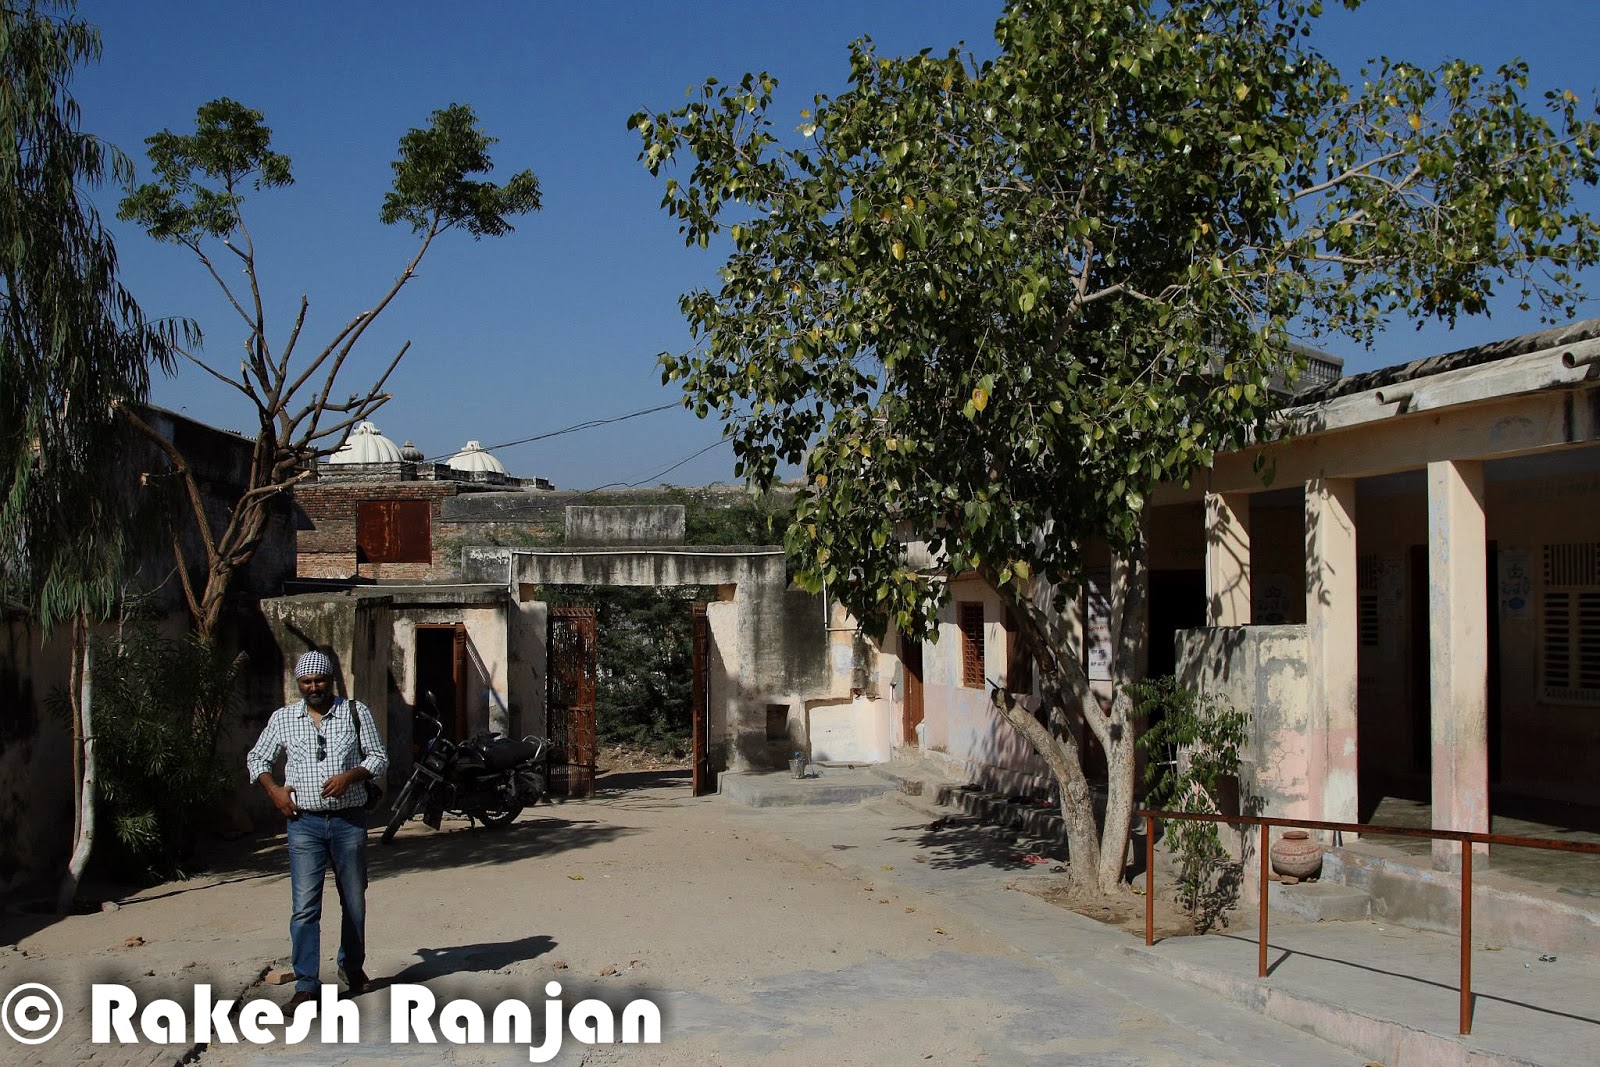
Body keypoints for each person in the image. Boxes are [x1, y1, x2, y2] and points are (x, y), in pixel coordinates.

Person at [247, 650, 388, 1008]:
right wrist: (274, 791)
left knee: (353, 900)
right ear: (299, 684)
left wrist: (350, 777)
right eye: (307, 682)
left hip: (348, 821)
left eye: (320, 680)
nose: (314, 687)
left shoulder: (355, 712)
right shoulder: (284, 718)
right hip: (303, 824)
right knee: (305, 906)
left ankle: (351, 967)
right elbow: (257, 758)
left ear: (330, 681)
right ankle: (307, 984)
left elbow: (378, 757)